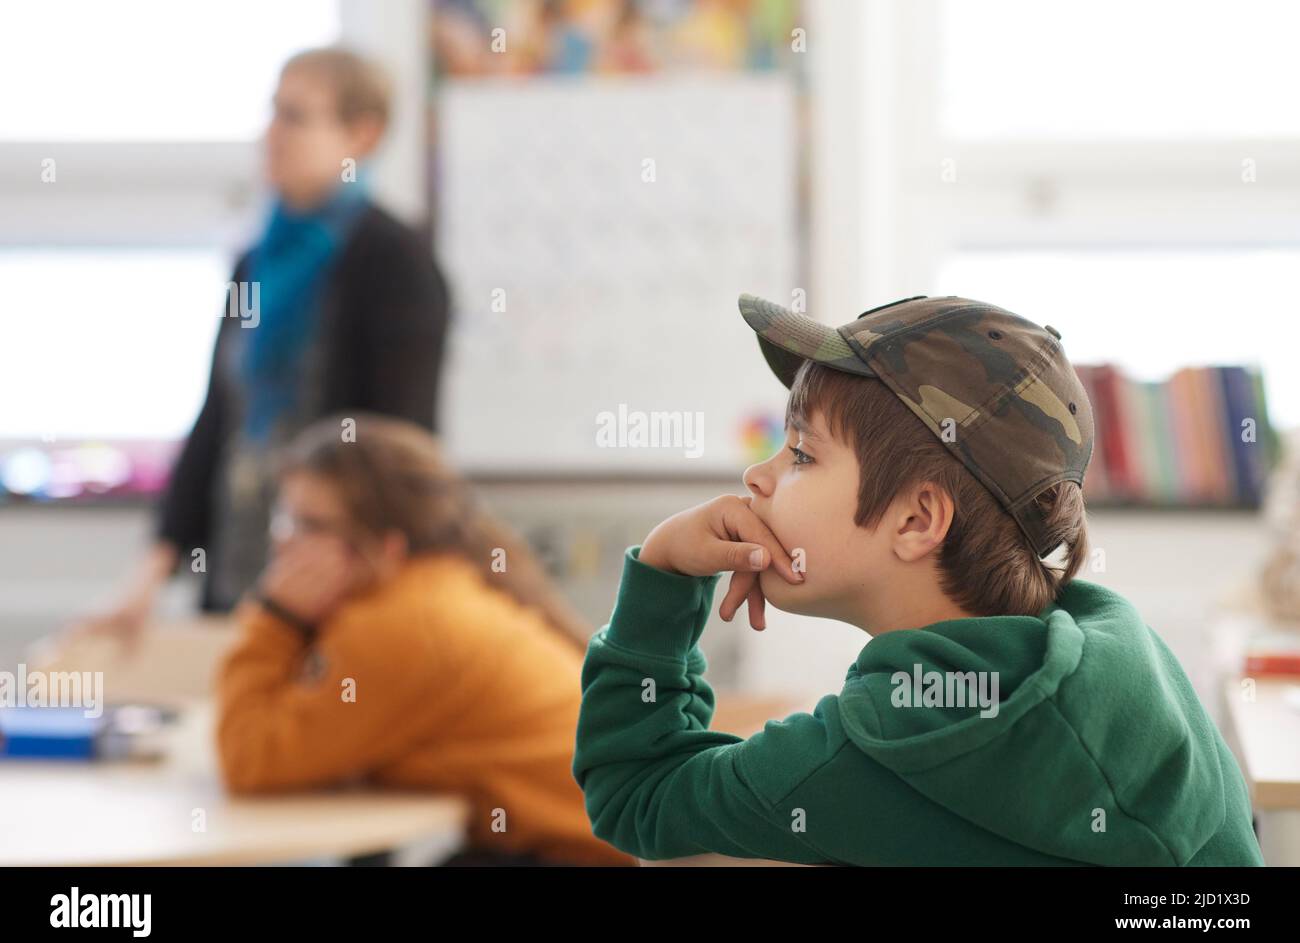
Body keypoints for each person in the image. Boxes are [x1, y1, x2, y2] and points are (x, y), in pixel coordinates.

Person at [573, 293, 1265, 866]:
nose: (758, 475)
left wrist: (664, 570)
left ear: (916, 519)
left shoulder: (880, 750)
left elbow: (635, 789)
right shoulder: (1132, 660)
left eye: (804, 453)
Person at [66, 47, 450, 644]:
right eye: (272, 112)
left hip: (339, 588)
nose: (270, 134)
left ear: (362, 134)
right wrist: (153, 569)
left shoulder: (395, 262)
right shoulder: (255, 261)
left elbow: (399, 448)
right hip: (238, 567)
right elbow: (221, 418)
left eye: (295, 117)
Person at [216, 412, 631, 867]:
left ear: (387, 547)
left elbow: (248, 761)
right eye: (285, 519)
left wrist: (276, 618)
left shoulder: (401, 625)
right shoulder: (433, 590)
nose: (284, 545)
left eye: (311, 526)